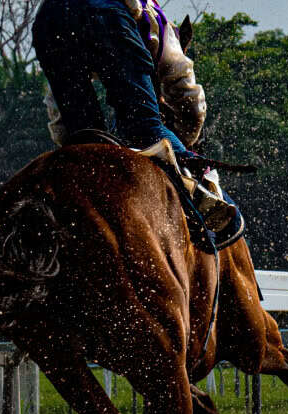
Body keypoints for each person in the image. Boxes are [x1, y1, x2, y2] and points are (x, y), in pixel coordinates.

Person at [32, 0, 239, 239]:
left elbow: (57, 114)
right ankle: (204, 197)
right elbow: (188, 99)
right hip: (105, 12)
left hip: (49, 19)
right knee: (143, 127)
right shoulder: (162, 28)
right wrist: (182, 140)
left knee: (86, 141)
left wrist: (73, 147)